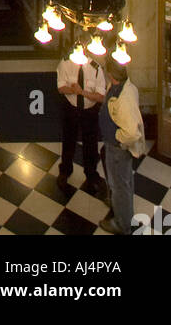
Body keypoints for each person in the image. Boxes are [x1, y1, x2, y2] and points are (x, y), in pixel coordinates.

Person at [100, 63, 146, 235]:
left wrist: (117, 138)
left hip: (117, 148)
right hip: (113, 146)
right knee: (123, 182)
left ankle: (122, 224)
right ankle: (121, 210)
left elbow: (132, 133)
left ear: (112, 75)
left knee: (119, 185)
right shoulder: (119, 86)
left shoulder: (124, 99)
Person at [56, 53, 106, 196]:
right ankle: (65, 171)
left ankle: (91, 175)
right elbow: (60, 87)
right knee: (68, 140)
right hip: (71, 108)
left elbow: (101, 96)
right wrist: (73, 90)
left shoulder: (96, 68)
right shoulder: (65, 63)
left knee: (90, 143)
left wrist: (81, 92)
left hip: (90, 110)